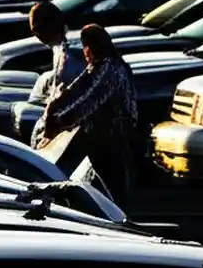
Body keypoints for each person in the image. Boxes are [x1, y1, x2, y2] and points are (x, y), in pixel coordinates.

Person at [40, 24, 139, 206]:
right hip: (99, 137)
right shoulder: (98, 65)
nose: (85, 53)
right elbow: (77, 88)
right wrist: (54, 107)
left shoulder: (110, 69)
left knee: (115, 189)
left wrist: (59, 122)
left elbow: (88, 101)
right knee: (99, 185)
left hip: (112, 136)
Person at [26, 1, 86, 149]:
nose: (35, 34)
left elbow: (63, 100)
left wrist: (47, 131)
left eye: (37, 29)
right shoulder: (61, 49)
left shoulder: (69, 57)